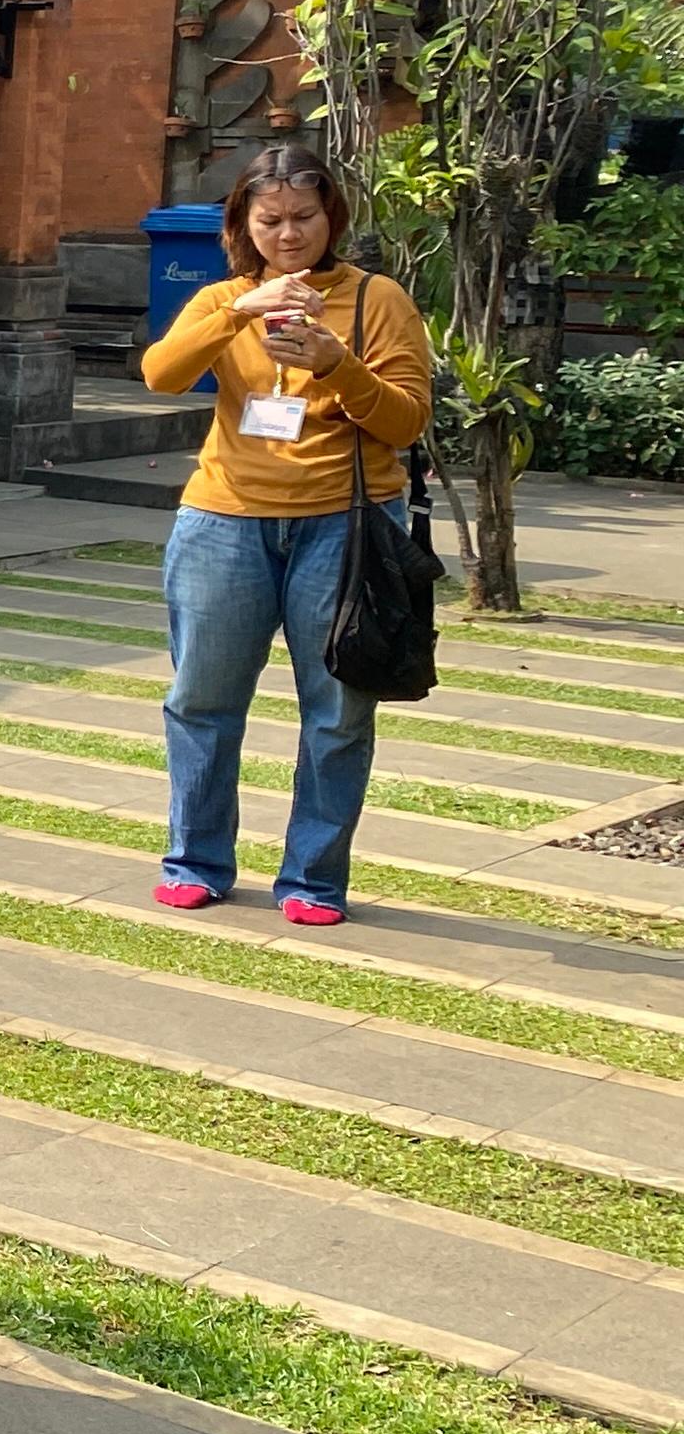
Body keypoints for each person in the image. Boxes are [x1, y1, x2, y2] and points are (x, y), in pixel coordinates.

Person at [141, 140, 434, 928]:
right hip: (224, 520)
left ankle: (313, 877)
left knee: (337, 708)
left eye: (305, 217)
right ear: (243, 222)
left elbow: (407, 419)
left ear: (331, 217)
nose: (289, 235)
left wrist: (339, 365)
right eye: (269, 220)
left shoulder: (376, 300)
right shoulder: (222, 299)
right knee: (201, 698)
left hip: (345, 525)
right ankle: (196, 860)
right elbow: (162, 374)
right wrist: (243, 309)